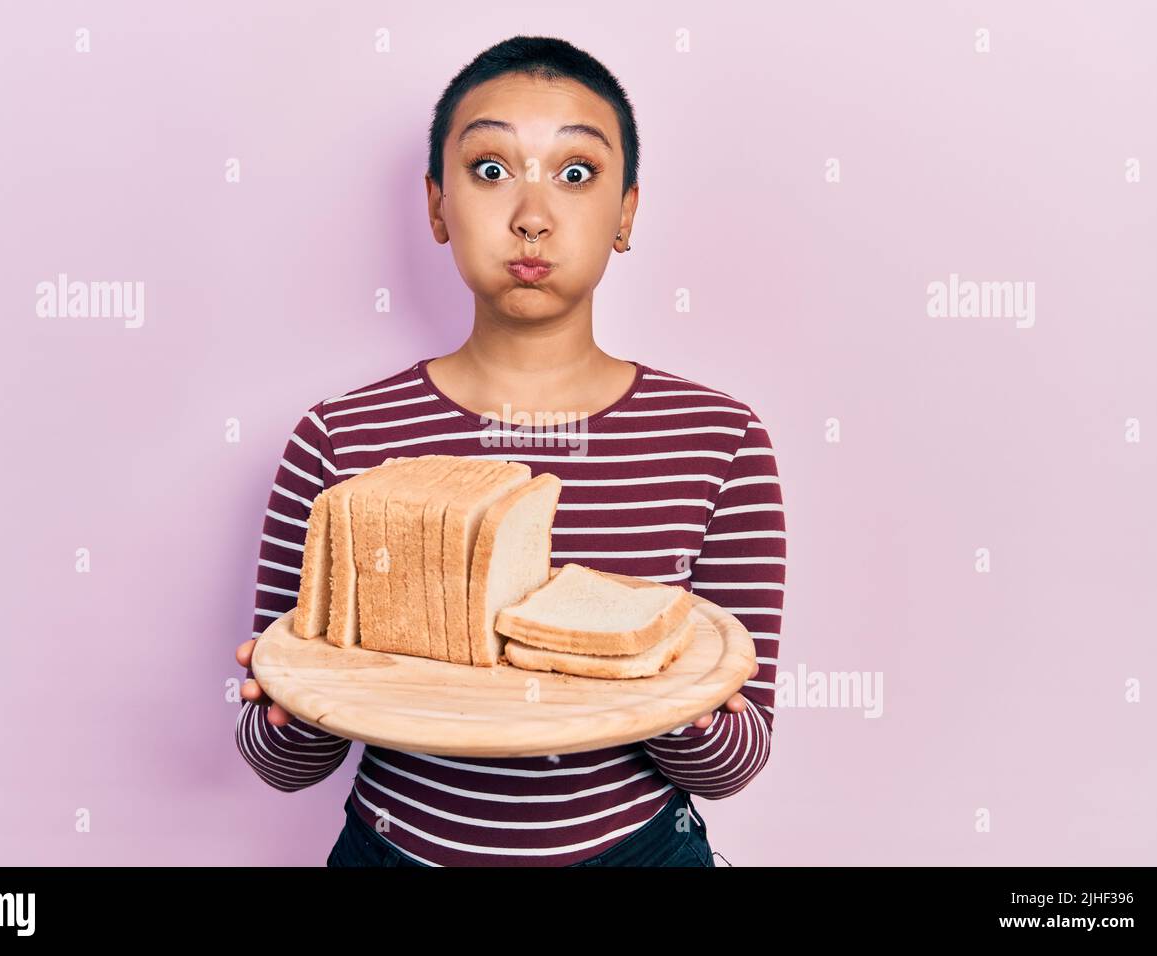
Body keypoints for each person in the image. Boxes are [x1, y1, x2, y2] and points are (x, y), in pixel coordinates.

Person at [234, 35, 786, 867]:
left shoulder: (720, 440)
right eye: (491, 170)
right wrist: (289, 708)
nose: (532, 215)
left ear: (627, 212)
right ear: (435, 205)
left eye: (576, 173)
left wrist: (681, 690)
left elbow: (735, 765)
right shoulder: (339, 438)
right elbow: (280, 765)